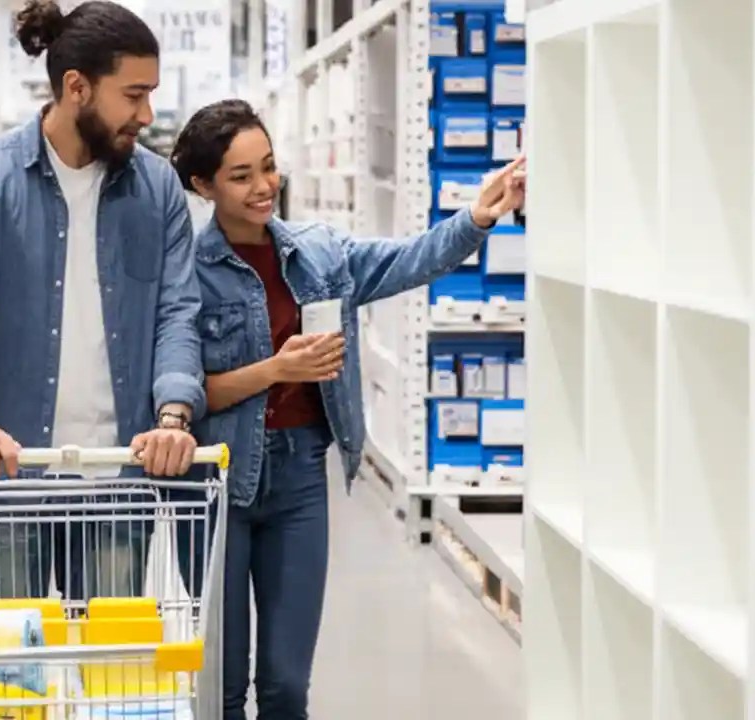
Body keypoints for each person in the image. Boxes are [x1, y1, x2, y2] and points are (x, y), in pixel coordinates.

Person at [170, 99, 526, 720]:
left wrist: (475, 215)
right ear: (203, 185)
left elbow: (408, 260)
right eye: (240, 175)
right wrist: (278, 369)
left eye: (269, 167)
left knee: (285, 684)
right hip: (217, 484)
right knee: (222, 688)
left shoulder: (320, 253)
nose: (263, 187)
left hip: (301, 478)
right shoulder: (188, 274)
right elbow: (190, 392)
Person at [0, 0, 205, 603]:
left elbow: (177, 311)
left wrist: (173, 415)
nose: (147, 113)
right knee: (12, 678)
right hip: (8, 472)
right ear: (77, 87)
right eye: (133, 95)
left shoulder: (156, 187)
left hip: (117, 478)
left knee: (110, 680)